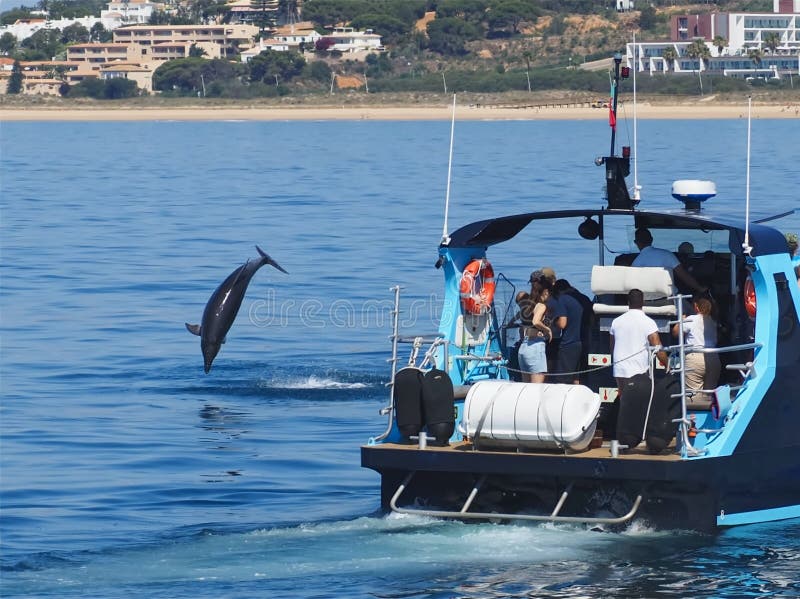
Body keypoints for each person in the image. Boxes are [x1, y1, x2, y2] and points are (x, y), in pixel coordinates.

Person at [609, 289, 667, 396]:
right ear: (643, 302)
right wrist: (668, 365)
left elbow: (612, 347)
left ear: (628, 302)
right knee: (638, 400)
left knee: (623, 399)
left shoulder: (616, 321)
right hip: (638, 369)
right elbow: (658, 348)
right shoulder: (648, 322)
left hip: (619, 369)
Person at [672, 296, 721, 406]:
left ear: (696, 307)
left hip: (695, 357)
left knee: (693, 397)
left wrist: (681, 319)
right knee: (709, 396)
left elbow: (675, 332)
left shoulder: (692, 319)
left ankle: (694, 421)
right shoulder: (713, 322)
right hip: (713, 357)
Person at [631, 228, 705, 295]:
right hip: (672, 299)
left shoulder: (635, 263)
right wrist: (700, 288)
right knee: (691, 310)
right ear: (651, 239)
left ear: (635, 242)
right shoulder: (667, 255)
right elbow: (684, 276)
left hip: (646, 302)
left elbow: (634, 288)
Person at [554, 278, 593, 384]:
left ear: (559, 291)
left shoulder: (563, 299)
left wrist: (553, 321)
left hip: (569, 343)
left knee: (563, 379)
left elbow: (562, 323)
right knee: (579, 378)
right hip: (585, 342)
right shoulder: (584, 298)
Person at [517, 276, 553, 383]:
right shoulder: (541, 306)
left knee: (526, 388)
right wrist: (547, 330)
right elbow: (536, 321)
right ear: (545, 292)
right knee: (536, 389)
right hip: (535, 347)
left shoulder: (529, 304)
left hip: (524, 347)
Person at [535, 267, 566, 372]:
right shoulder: (557, 298)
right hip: (553, 338)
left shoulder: (539, 296)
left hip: (541, 338)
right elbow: (562, 323)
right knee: (550, 369)